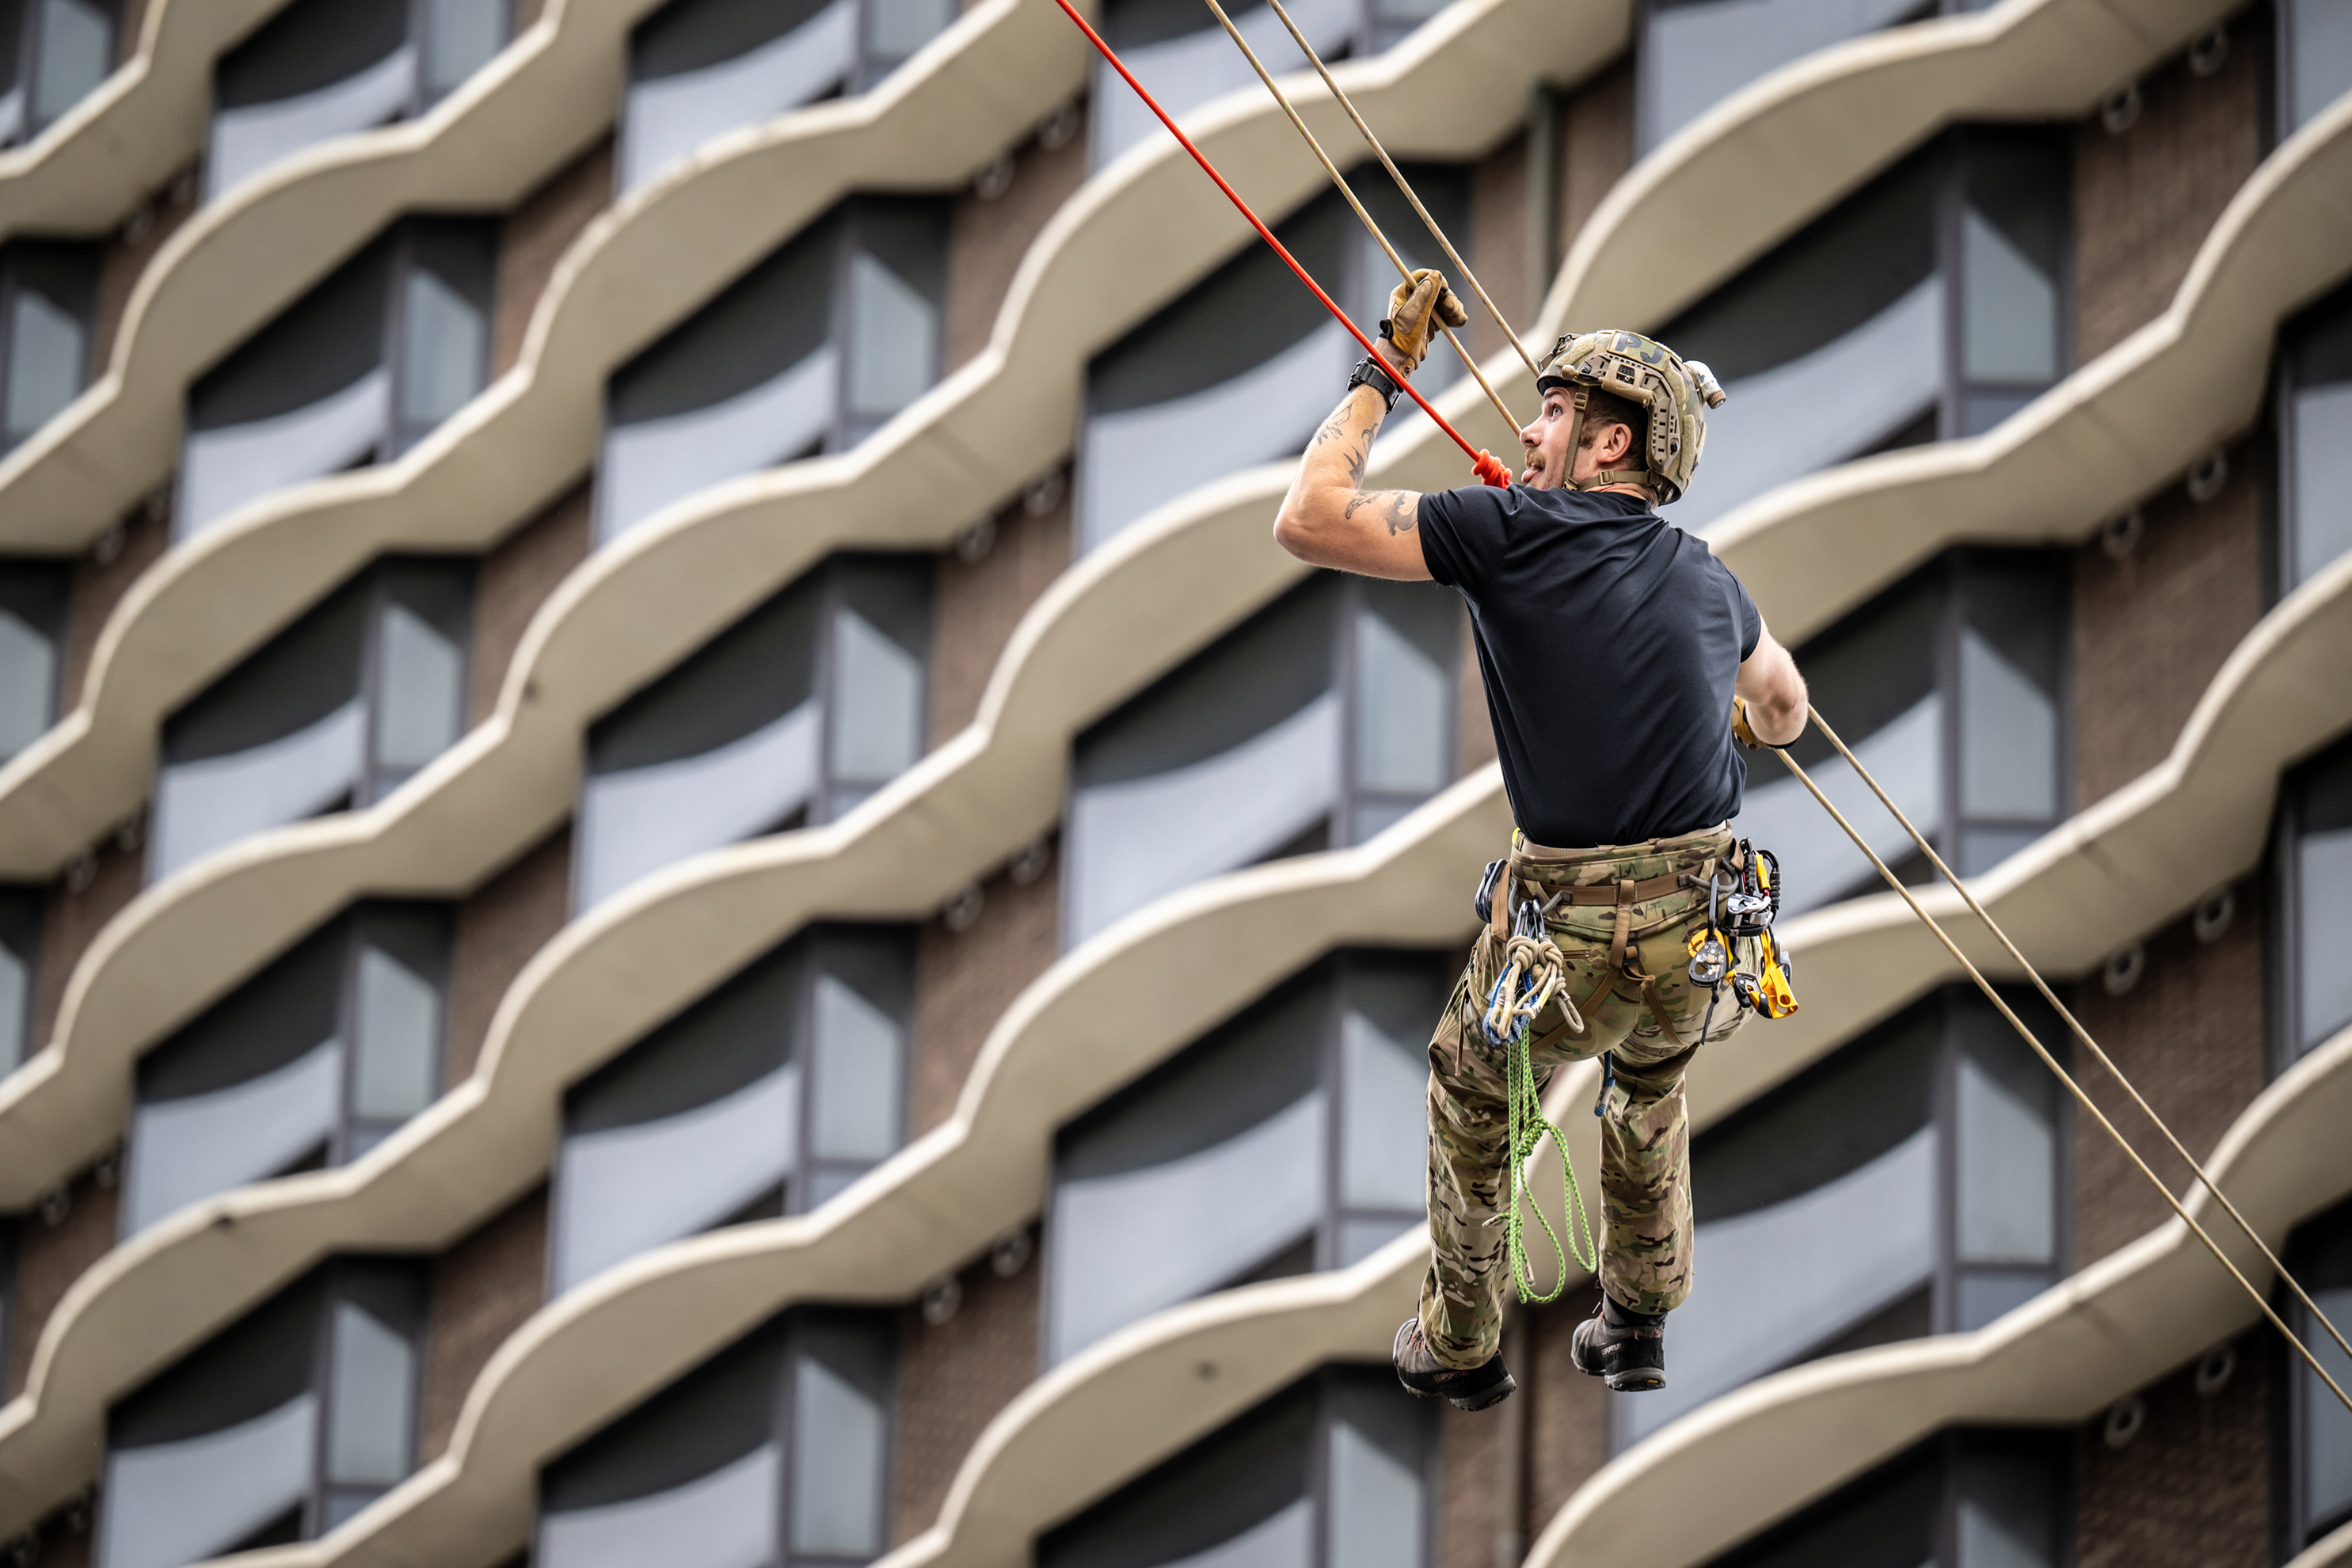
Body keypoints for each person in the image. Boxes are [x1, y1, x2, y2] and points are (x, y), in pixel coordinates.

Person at [1270, 272, 1810, 1410]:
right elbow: (1783, 710)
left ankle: (1460, 1339)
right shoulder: (1712, 579)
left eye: (1555, 412)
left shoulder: (1503, 530)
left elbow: (1308, 519)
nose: (1527, 424)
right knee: (1644, 1084)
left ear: (1611, 444)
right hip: (1695, 935)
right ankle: (1637, 1318)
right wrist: (1716, 719)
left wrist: (1384, 372)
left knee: (1471, 1087)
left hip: (1564, 935)